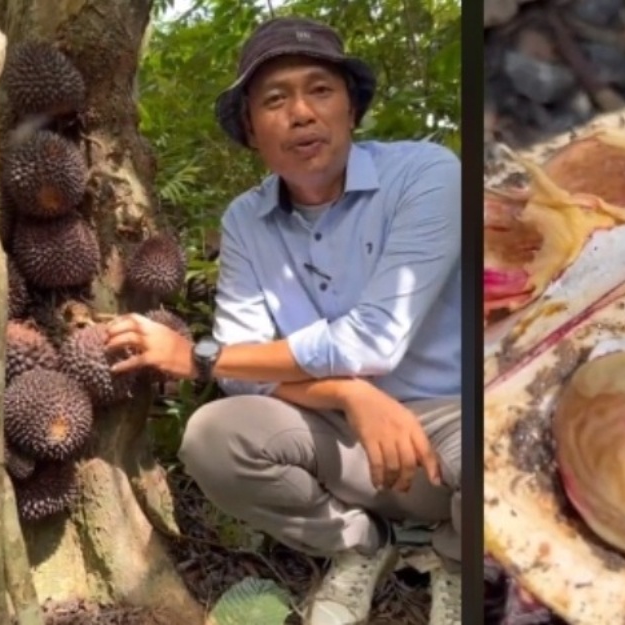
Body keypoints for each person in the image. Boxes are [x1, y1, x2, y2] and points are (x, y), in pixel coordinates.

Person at [103, 16, 463, 625]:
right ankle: (358, 545)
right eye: (275, 100)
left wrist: (198, 357)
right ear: (251, 129)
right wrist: (350, 395)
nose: (301, 113)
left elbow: (373, 337)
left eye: (320, 90)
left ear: (351, 108)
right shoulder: (246, 220)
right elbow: (245, 376)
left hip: (448, 428)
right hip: (340, 435)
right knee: (215, 435)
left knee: (516, 444)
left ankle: (456, 559)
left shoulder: (428, 175)